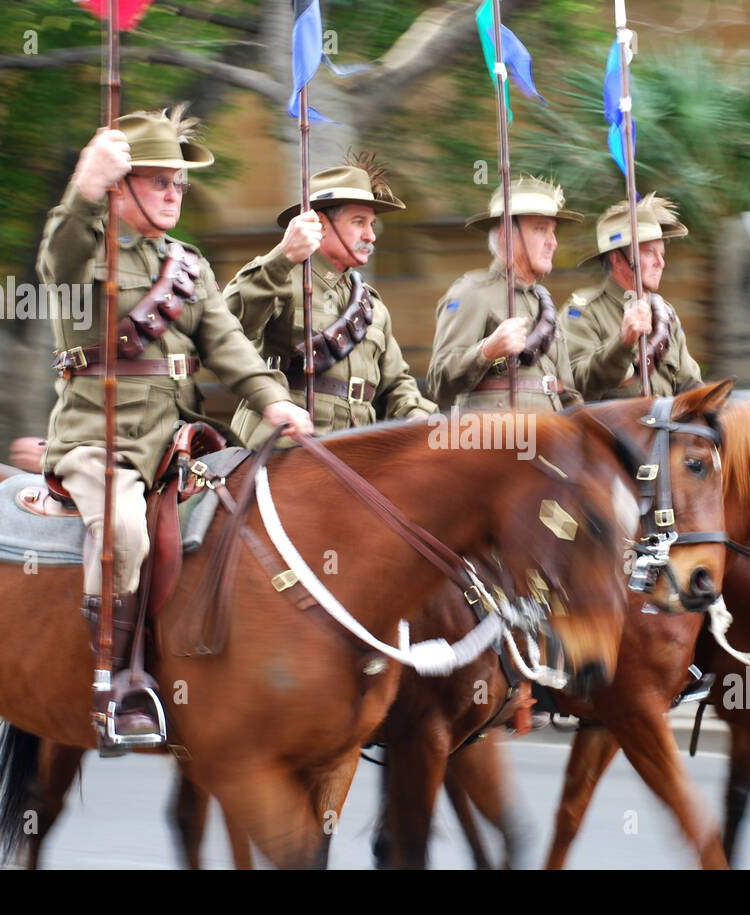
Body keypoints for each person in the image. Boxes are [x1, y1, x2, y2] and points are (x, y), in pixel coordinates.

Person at [40, 105, 313, 744]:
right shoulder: (87, 248)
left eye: (180, 183)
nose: (174, 193)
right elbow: (56, 260)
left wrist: (272, 400)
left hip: (180, 440)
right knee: (124, 530)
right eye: (159, 180)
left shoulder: (188, 264)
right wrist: (84, 185)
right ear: (121, 185)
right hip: (99, 437)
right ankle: (114, 685)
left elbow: (229, 346)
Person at [225, 156, 436, 445]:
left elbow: (395, 382)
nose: (370, 235)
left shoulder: (371, 306)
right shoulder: (281, 277)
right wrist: (281, 257)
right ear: (321, 224)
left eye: (372, 224)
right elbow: (226, 322)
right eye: (359, 222)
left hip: (356, 448)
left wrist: (416, 414)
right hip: (284, 445)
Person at [427, 175, 583, 411]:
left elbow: (567, 393)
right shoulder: (472, 292)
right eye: (541, 230)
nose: (553, 242)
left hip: (550, 439)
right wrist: (487, 350)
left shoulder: (543, 302)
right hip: (497, 440)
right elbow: (439, 383)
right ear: (506, 237)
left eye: (553, 232)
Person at [561, 193, 704, 400]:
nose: (661, 263)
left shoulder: (665, 314)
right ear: (617, 259)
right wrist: (623, 343)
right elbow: (578, 383)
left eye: (661, 254)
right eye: (649, 253)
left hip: (667, 429)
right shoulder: (584, 312)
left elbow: (690, 384)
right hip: (612, 431)